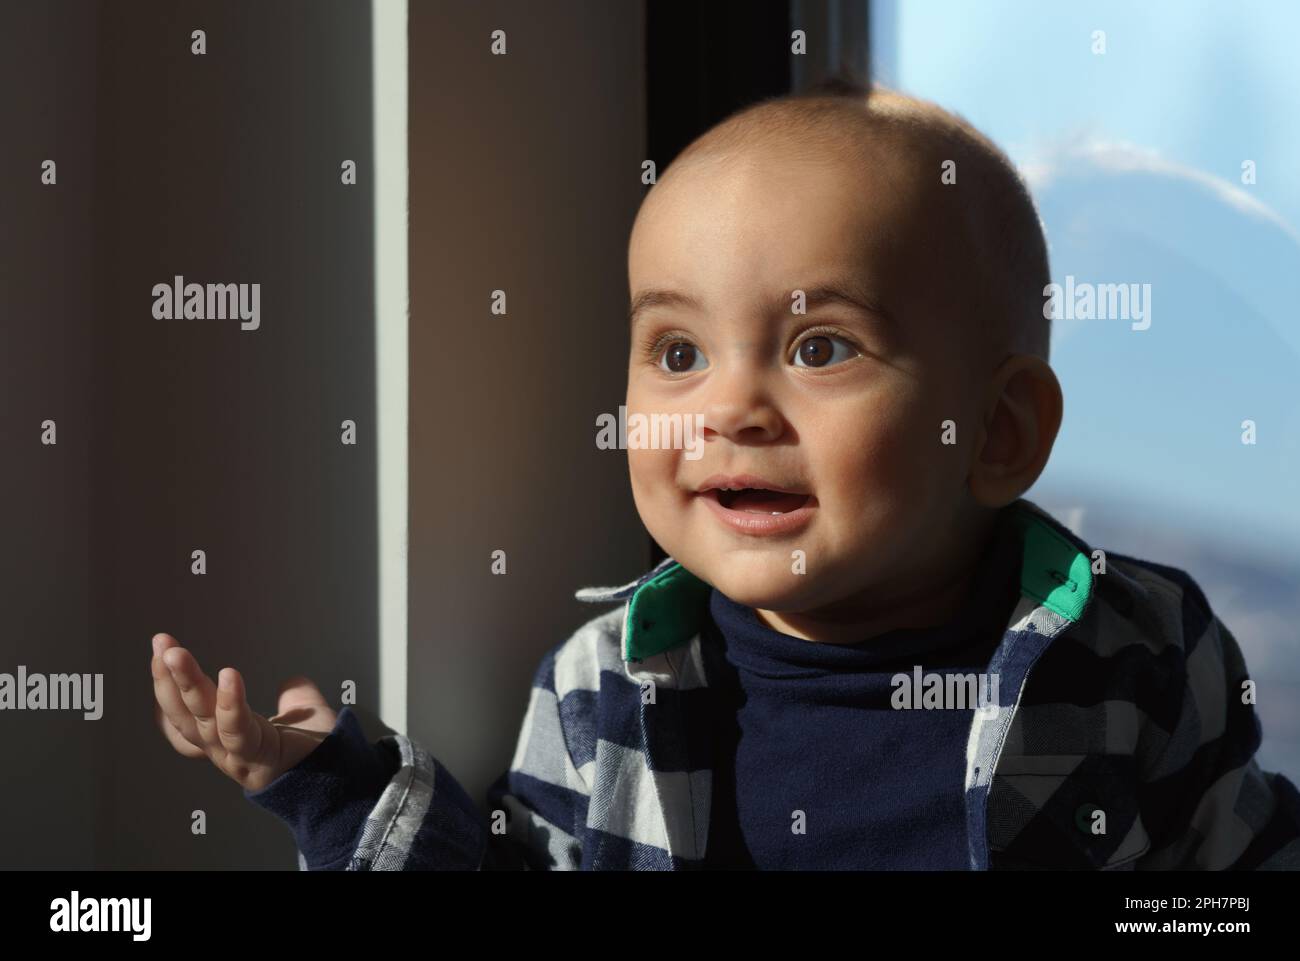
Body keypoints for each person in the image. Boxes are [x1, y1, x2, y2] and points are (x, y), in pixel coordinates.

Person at [149, 79, 1300, 870]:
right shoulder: (606, 686)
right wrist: (333, 785)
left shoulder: (1140, 646)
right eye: (679, 352)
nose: (731, 408)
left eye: (819, 348)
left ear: (996, 434)